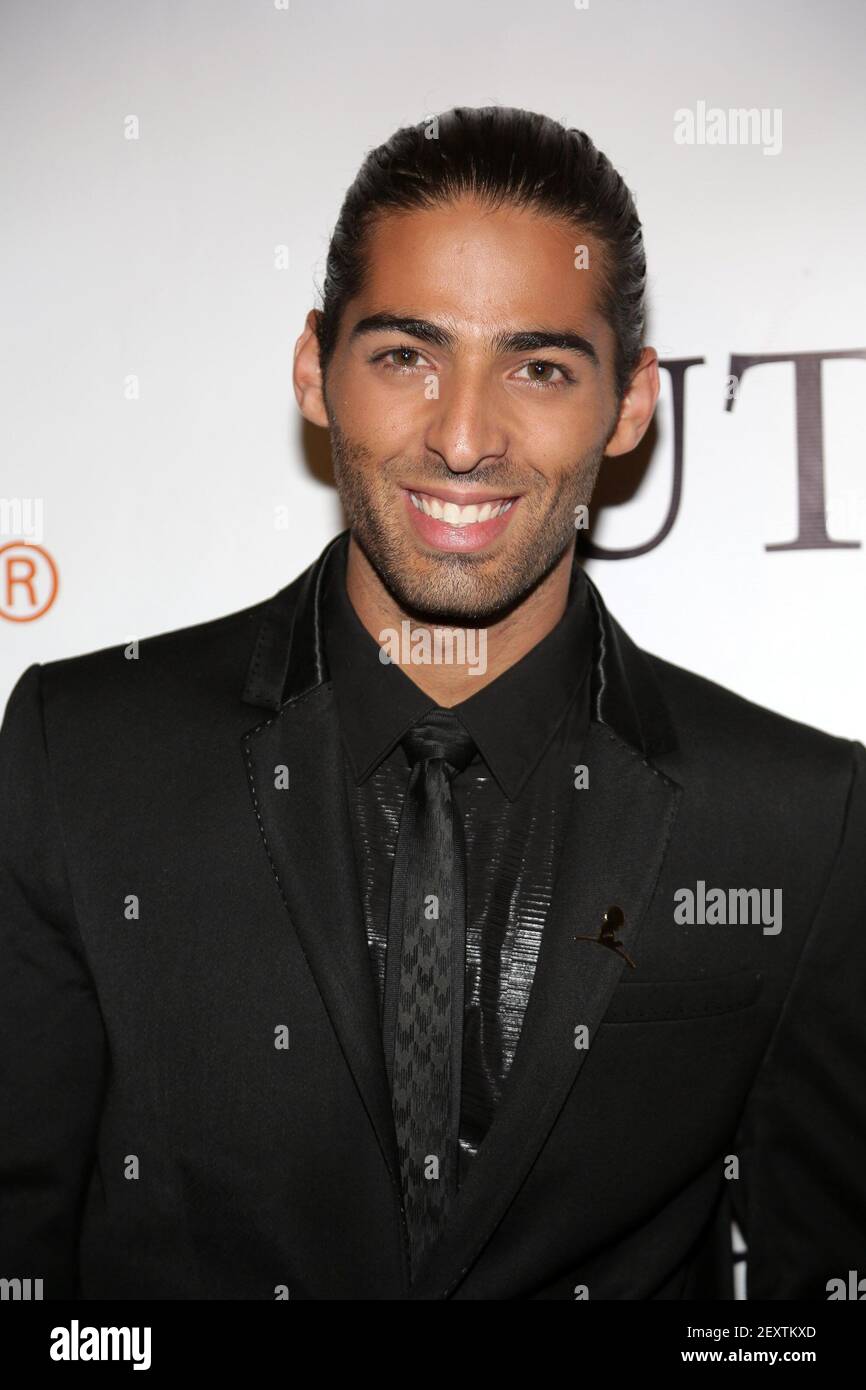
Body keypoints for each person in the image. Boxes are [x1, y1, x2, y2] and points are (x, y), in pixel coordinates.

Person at [1, 106, 864, 1301]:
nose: (462, 438)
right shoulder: (83, 755)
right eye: (405, 354)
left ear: (628, 406)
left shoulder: (791, 817)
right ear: (315, 369)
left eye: (539, 367)